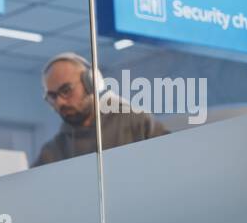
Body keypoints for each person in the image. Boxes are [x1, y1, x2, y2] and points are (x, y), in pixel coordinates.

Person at [33, 52, 168, 166]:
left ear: (91, 82)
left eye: (66, 90)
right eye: (52, 96)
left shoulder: (134, 122)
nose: (60, 102)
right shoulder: (52, 152)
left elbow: (172, 162)